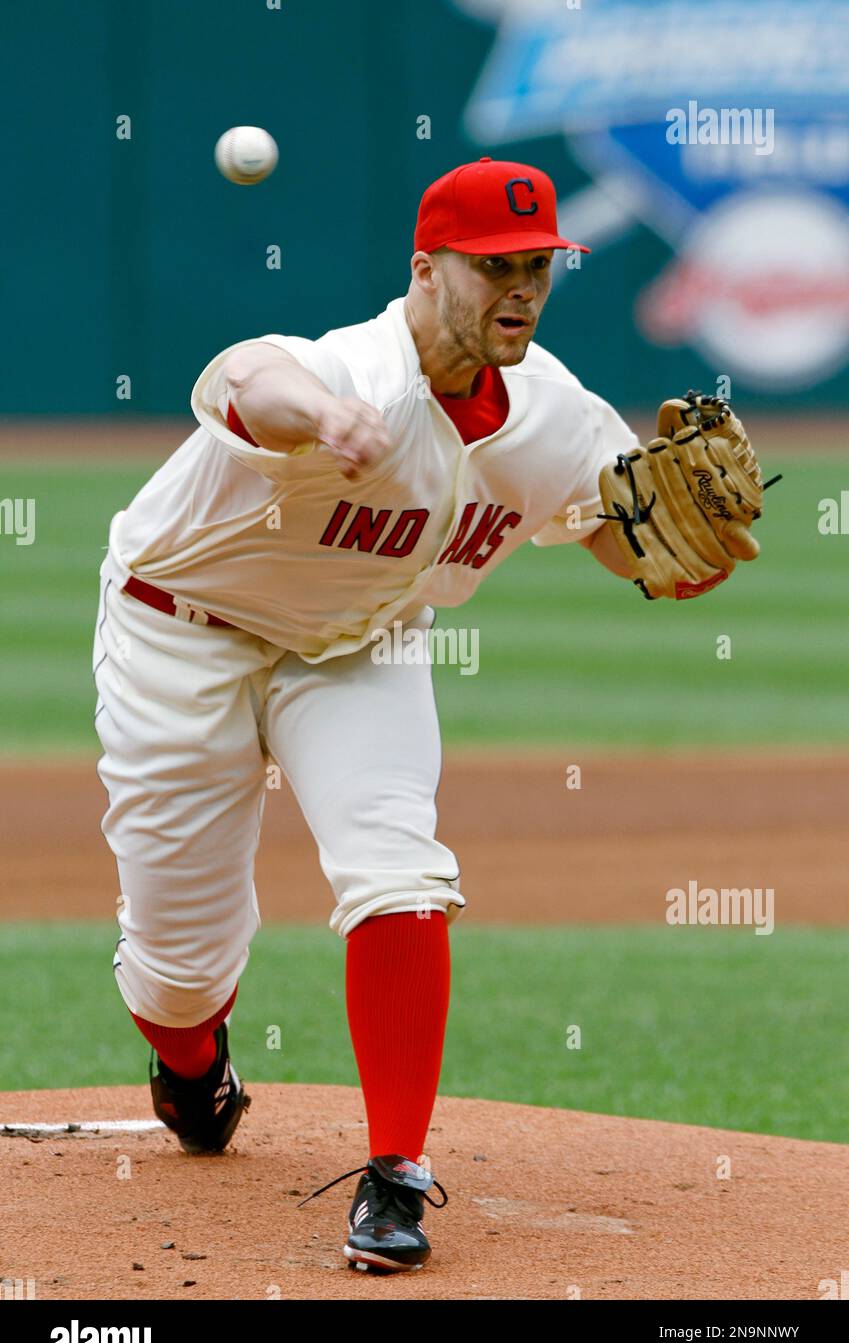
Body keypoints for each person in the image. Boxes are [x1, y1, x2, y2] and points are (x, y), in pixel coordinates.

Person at [92, 156, 636, 1274]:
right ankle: (193, 1066)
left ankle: (394, 1177)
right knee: (180, 974)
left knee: (399, 867)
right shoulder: (351, 372)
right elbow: (247, 376)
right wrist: (326, 416)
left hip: (357, 647)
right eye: (494, 268)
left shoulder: (555, 413)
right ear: (426, 272)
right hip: (180, 631)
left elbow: (631, 532)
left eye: (538, 265)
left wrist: (681, 558)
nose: (522, 289)